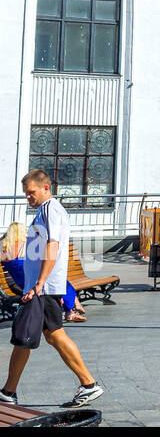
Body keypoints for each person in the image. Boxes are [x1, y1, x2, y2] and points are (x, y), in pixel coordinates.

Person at [0, 170, 103, 409]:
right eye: (25, 194)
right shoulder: (45, 210)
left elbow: (52, 245)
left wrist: (38, 284)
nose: (28, 197)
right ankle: (88, 384)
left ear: (46, 188)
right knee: (52, 335)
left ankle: (8, 392)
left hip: (42, 289)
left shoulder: (50, 209)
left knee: (24, 338)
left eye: (31, 192)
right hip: (43, 288)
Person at [1, 223, 85, 323]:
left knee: (56, 281)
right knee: (59, 280)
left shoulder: (3, 247)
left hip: (19, 282)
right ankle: (73, 306)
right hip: (32, 281)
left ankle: (71, 307)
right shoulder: (25, 244)